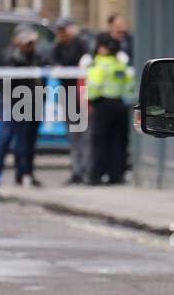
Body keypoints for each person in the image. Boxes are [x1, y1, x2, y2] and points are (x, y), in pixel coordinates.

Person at [0, 25, 44, 187]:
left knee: (27, 140)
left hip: (32, 103)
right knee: (5, 139)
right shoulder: (9, 56)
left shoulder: (35, 55)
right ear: (16, 40)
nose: (30, 45)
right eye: (26, 41)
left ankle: (24, 173)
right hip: (12, 103)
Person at [85, 33, 135, 185]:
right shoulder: (121, 66)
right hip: (119, 105)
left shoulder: (98, 65)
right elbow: (129, 86)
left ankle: (96, 176)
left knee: (99, 141)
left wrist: (91, 100)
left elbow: (93, 88)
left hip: (102, 105)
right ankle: (116, 175)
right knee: (118, 141)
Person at [49, 17, 88, 185]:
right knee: (73, 135)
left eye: (63, 30)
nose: (61, 34)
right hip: (67, 94)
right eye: (59, 31)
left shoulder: (81, 44)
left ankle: (85, 169)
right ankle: (76, 170)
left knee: (84, 134)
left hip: (83, 93)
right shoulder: (57, 47)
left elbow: (85, 58)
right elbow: (52, 60)